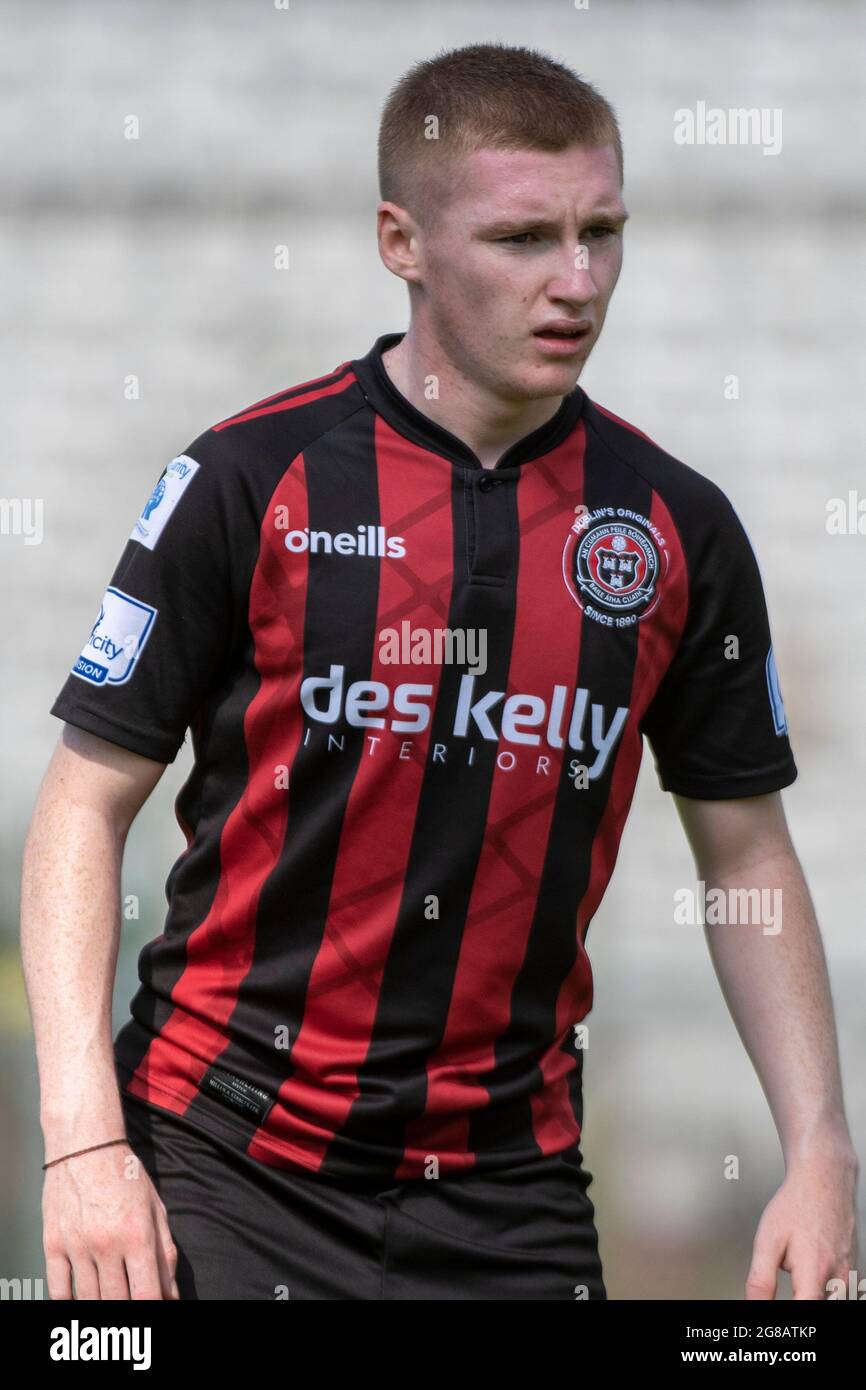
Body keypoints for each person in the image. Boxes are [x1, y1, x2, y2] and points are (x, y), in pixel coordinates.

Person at [22, 41, 857, 1302]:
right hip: (222, 1161)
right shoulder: (251, 482)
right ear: (398, 241)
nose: (575, 281)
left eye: (601, 232)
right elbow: (81, 808)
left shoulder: (674, 526)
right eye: (522, 238)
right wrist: (82, 1143)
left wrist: (816, 1147)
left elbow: (742, 851)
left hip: (507, 1193)